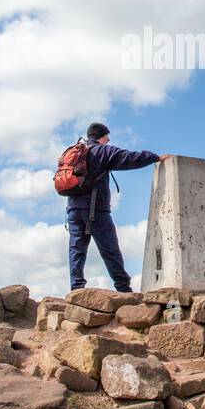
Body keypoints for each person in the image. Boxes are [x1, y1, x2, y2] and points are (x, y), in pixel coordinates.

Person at [67, 123, 170, 292]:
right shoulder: (102, 151)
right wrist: (155, 157)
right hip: (95, 210)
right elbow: (128, 158)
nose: (108, 140)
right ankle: (123, 288)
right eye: (107, 136)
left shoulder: (76, 153)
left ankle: (76, 288)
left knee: (76, 249)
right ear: (100, 136)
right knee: (110, 249)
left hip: (73, 209)